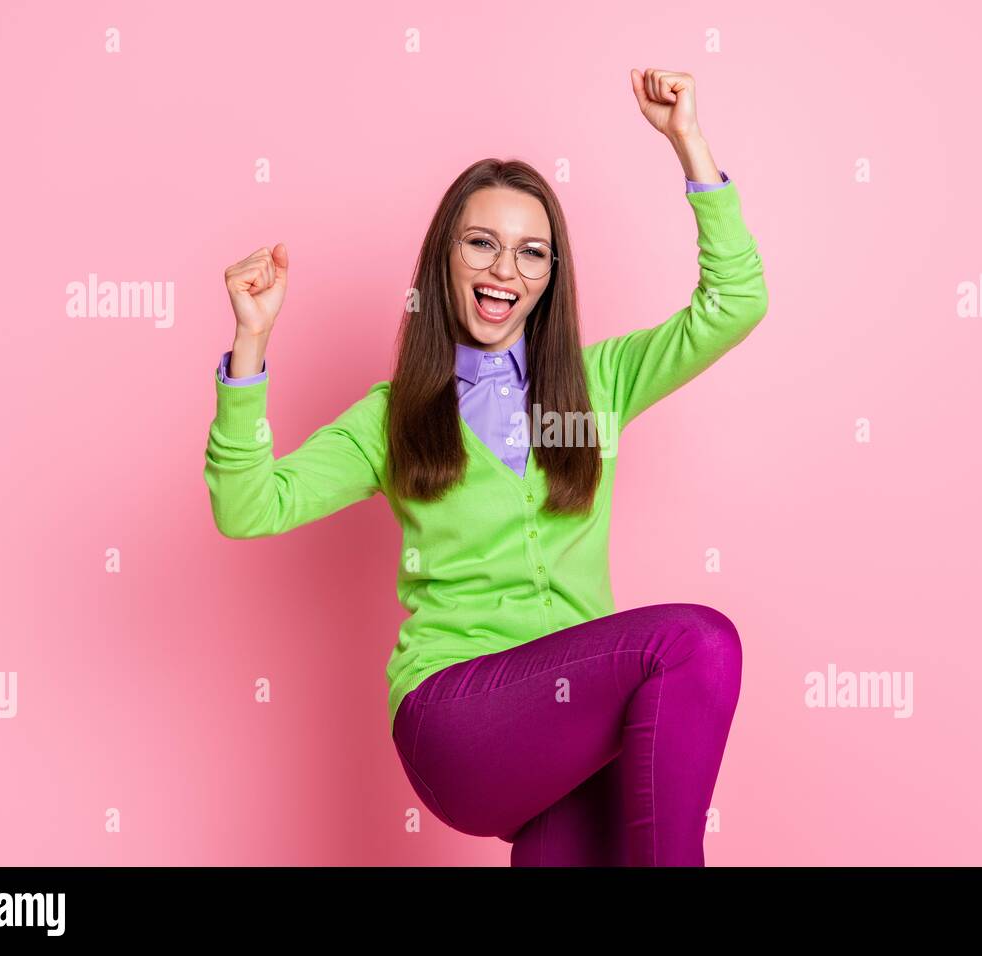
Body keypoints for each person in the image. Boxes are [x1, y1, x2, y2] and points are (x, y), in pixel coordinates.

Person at [204, 68, 768, 865]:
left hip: (570, 728)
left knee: (589, 822)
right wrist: (251, 347)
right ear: (446, 259)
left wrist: (689, 143)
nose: (506, 270)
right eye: (482, 243)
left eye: (531, 253)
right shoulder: (393, 417)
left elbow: (733, 304)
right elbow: (249, 506)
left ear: (549, 277)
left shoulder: (598, 384)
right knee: (697, 645)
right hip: (457, 718)